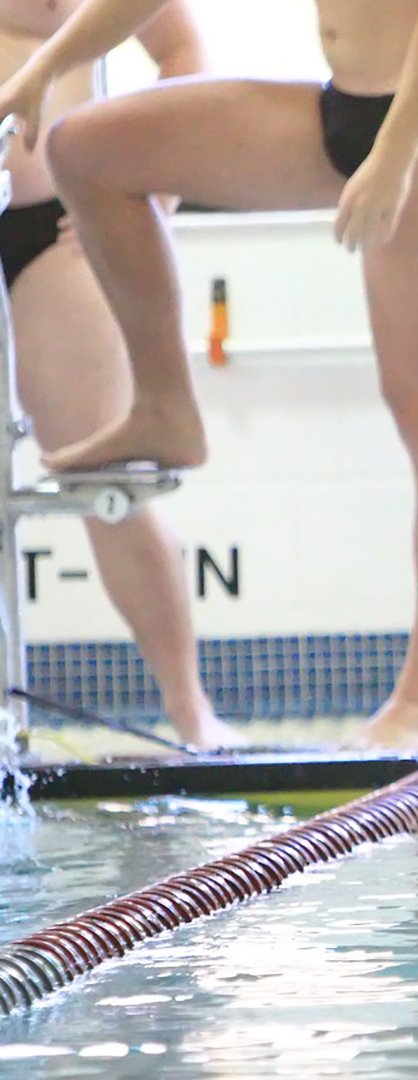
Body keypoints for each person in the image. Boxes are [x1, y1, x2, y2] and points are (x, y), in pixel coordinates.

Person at [0, 0, 418, 751]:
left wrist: (394, 157)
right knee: (87, 147)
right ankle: (165, 409)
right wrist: (42, 70)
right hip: (344, 106)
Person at [0, 2, 236, 750]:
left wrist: (150, 190)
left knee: (111, 475)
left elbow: (183, 49)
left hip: (55, 232)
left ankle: (190, 711)